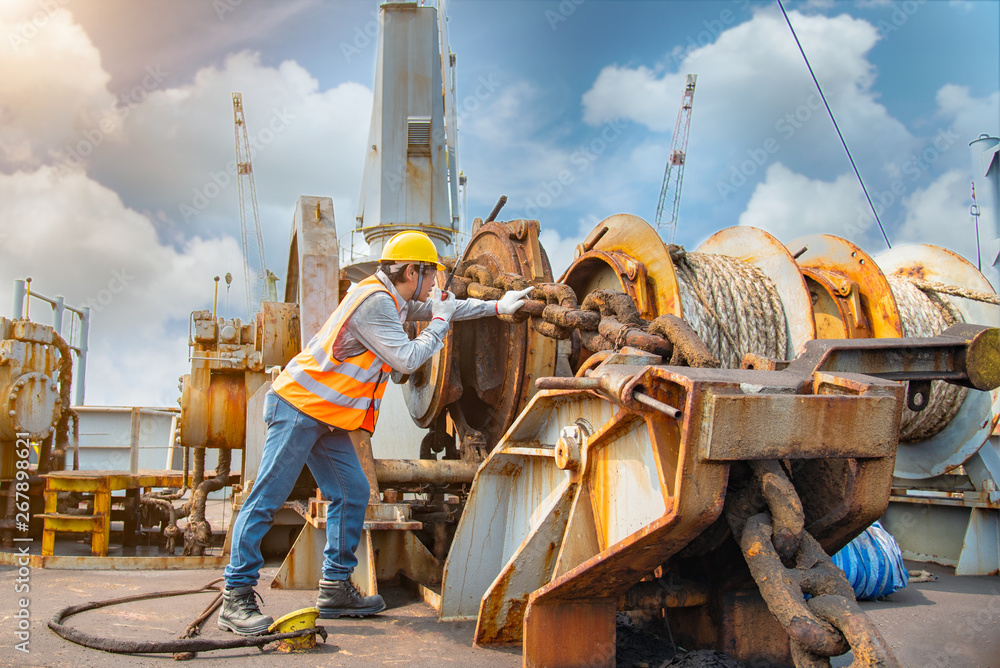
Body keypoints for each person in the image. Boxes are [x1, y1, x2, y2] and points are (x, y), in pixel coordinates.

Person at [218, 230, 533, 635]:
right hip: (299, 406)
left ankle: (335, 588)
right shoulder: (376, 305)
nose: (436, 282)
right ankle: (236, 596)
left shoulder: (394, 298)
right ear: (413, 271)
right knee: (266, 497)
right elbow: (406, 359)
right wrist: (438, 322)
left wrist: (496, 306)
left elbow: (446, 307)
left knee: (352, 492)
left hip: (329, 416)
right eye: (432, 274)